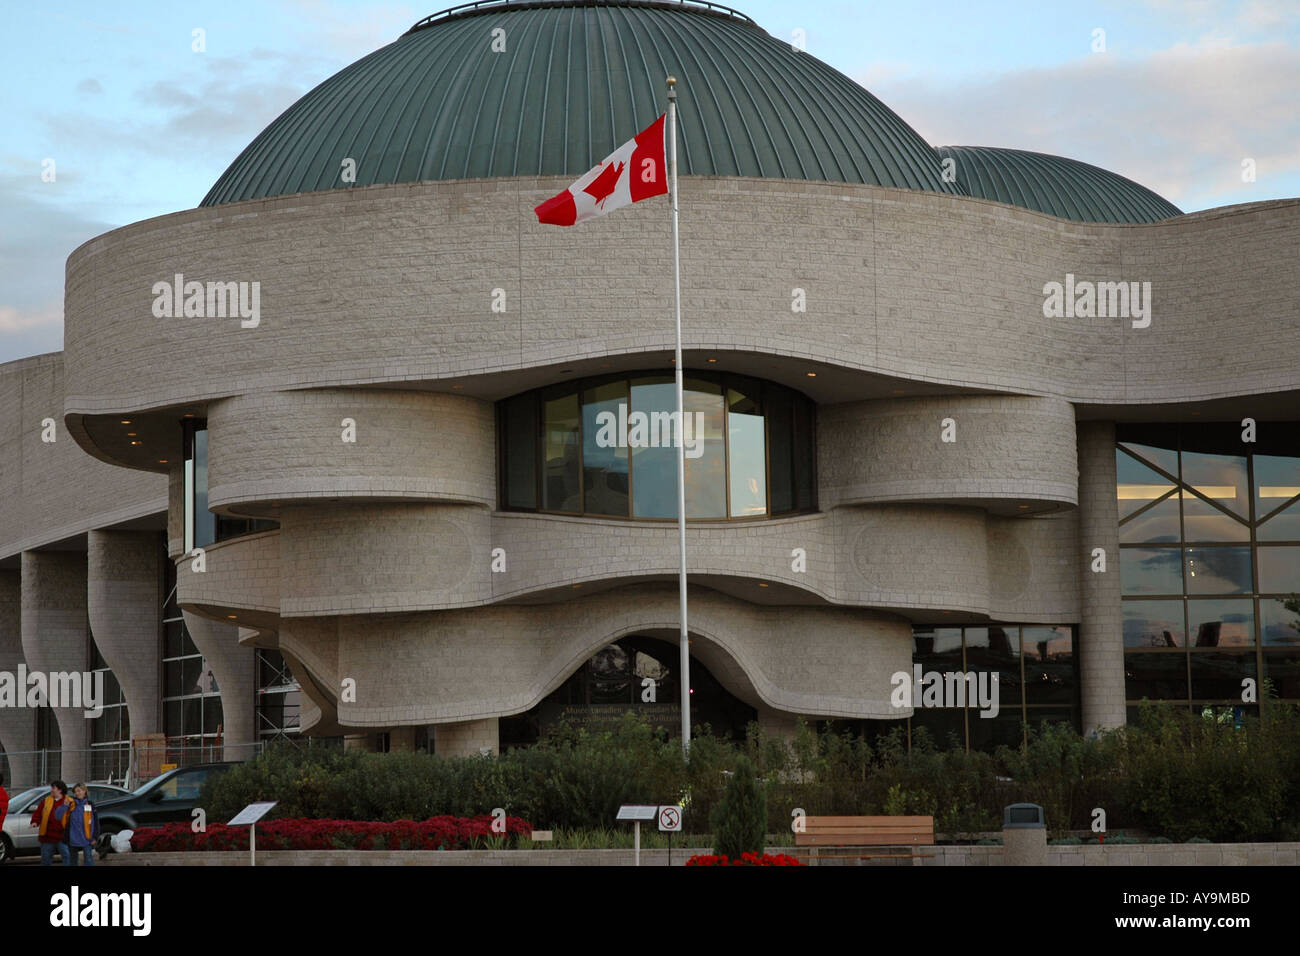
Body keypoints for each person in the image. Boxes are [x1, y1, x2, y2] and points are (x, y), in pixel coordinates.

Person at [30, 780, 74, 866]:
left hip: (63, 836)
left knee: (67, 856)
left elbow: (73, 817)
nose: (51, 790)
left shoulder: (69, 801)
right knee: (46, 858)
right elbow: (38, 813)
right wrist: (35, 822)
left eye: (53, 788)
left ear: (60, 790)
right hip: (47, 836)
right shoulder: (46, 801)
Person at [67, 783, 100, 866]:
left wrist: (95, 836)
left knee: (88, 858)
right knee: (73, 859)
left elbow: (95, 822)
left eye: (79, 791)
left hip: (87, 837)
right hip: (73, 837)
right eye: (75, 792)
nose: (77, 793)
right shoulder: (71, 804)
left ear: (84, 791)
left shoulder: (90, 805)